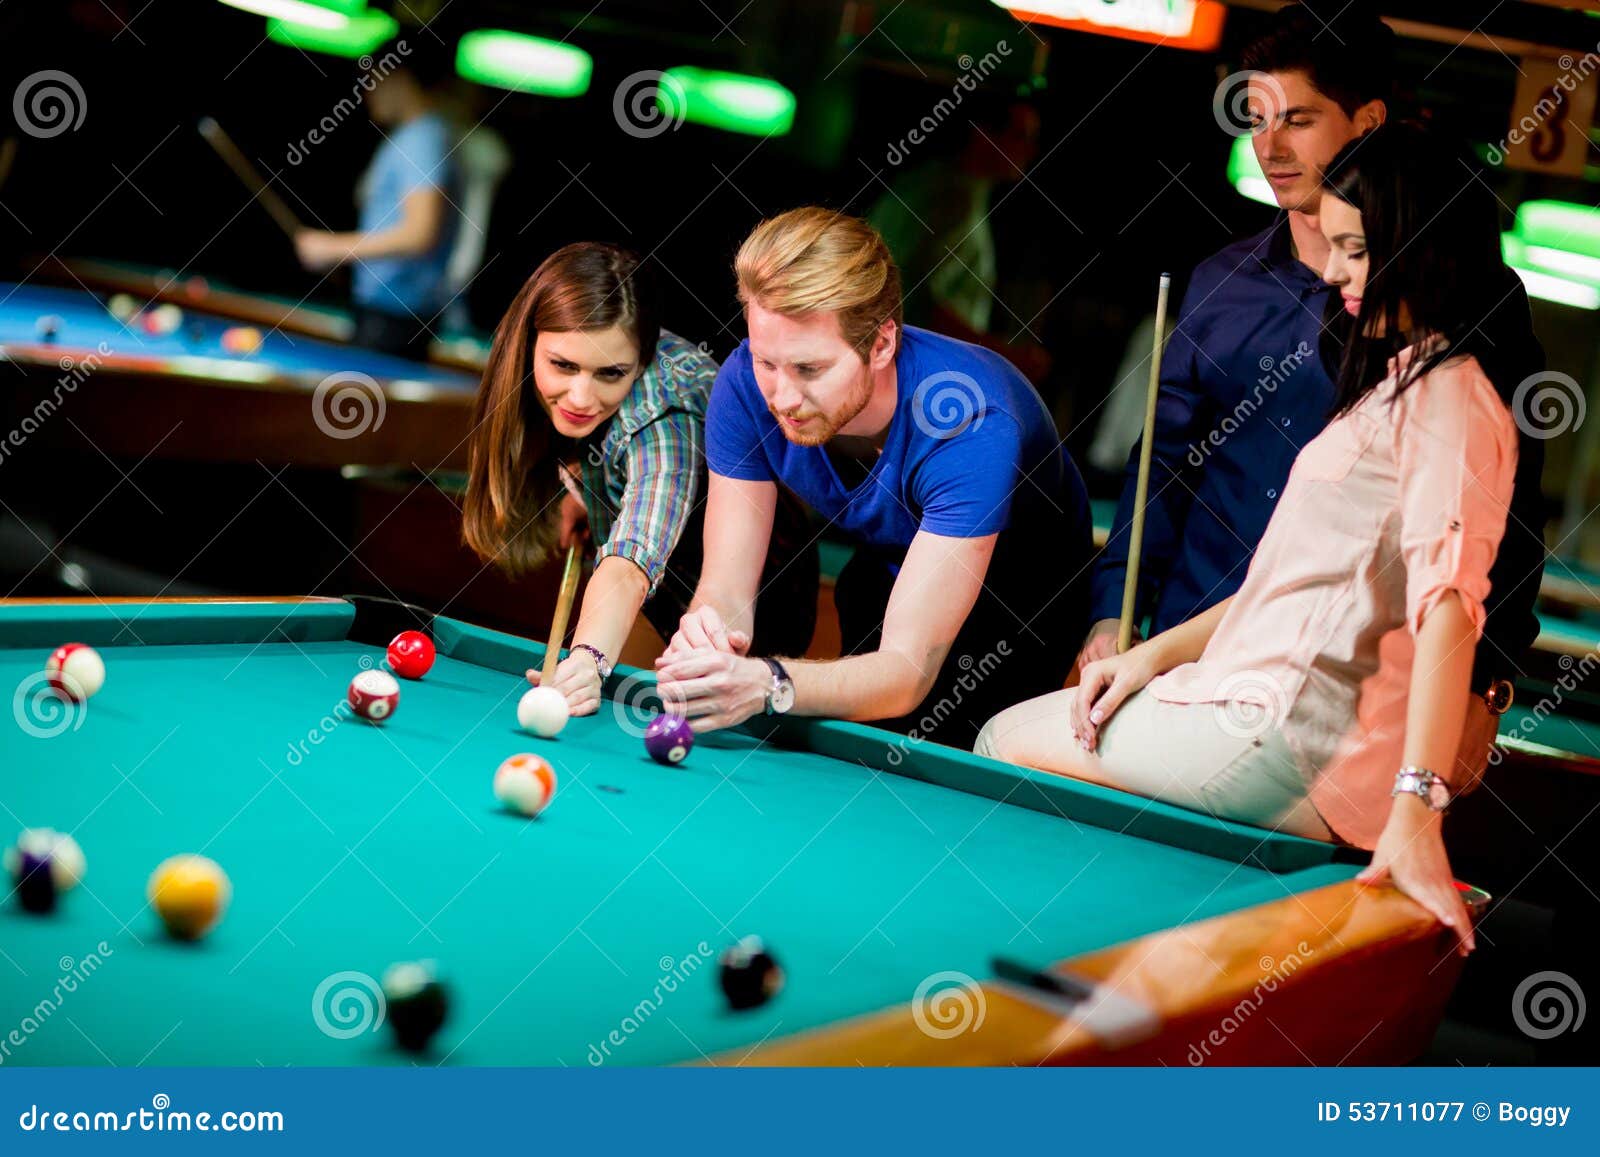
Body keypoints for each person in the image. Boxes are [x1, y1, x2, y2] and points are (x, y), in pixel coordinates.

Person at [979, 123, 1521, 954]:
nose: (1334, 271)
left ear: (1422, 248)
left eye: (1356, 249)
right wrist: (1151, 656)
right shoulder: (1398, 382)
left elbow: (1450, 613)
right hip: (1270, 718)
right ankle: (1128, 962)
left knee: (1000, 740)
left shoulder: (1448, 396)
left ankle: (1046, 964)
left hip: (1290, 738)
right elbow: (1286, 583)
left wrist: (1418, 809)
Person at [1079, 4, 1545, 762]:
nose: (1270, 146)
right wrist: (1113, 617)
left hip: (1350, 699)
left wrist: (1485, 685)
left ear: (1368, 122)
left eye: (1297, 119)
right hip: (1187, 660)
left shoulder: (1462, 299)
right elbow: (1160, 468)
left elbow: (1508, 507)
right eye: (1257, 119)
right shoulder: (1218, 283)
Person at [654, 207, 1092, 747]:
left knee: (954, 760)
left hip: (1021, 602)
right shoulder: (745, 385)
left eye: (810, 369)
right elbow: (725, 587)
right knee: (851, 747)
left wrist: (769, 682)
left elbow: (905, 673)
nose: (783, 398)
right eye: (768, 362)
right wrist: (706, 636)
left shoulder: (969, 423)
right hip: (890, 563)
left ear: (881, 344)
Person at [463, 242, 816, 715]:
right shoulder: (566, 366)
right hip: (662, 591)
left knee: (635, 705)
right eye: (563, 365)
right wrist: (588, 489)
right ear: (528, 344)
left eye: (611, 373)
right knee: (612, 710)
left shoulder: (665, 410)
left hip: (748, 609)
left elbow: (633, 555)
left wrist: (588, 658)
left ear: (643, 356)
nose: (581, 396)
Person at [294, 37, 461, 360]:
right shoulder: (421, 135)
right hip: (396, 314)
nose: (367, 92)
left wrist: (330, 248)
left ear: (398, 77)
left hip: (395, 319)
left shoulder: (420, 140)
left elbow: (420, 234)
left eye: (371, 80)